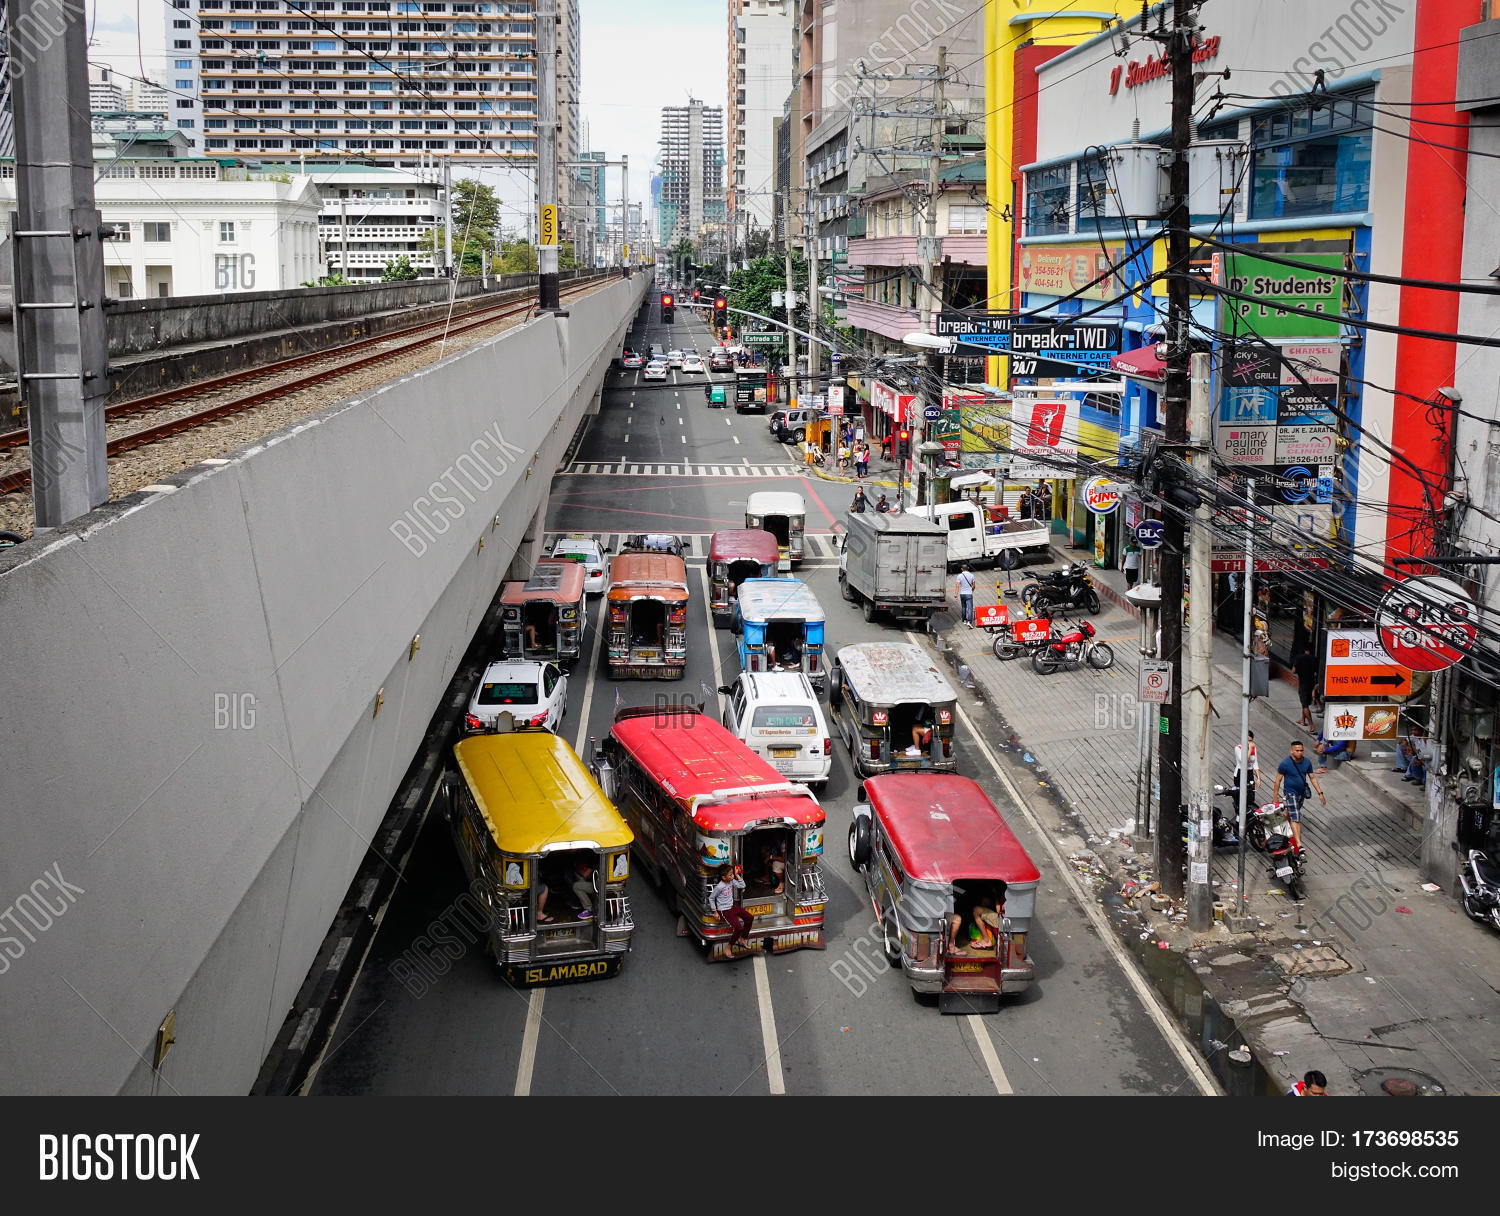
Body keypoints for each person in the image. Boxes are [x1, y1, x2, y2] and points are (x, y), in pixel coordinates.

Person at [1272, 739, 1324, 853]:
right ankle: (1299, 844)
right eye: (1297, 750)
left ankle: (1278, 825)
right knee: (1296, 817)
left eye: (1301, 750)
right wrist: (1275, 797)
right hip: (1290, 793)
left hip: (1301, 794)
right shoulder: (1285, 763)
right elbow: (1278, 780)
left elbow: (1312, 777)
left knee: (1291, 813)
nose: (1300, 752)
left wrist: (1320, 793)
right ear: (1292, 751)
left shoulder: (1307, 762)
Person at [710, 864, 752, 946]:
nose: (732, 876)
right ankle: (729, 946)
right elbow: (711, 898)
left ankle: (742, 938)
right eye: (731, 874)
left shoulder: (731, 881)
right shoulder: (720, 887)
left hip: (732, 907)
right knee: (738, 928)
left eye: (733, 874)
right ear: (724, 877)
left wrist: (737, 875)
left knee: (750, 918)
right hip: (724, 910)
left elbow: (743, 885)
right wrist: (715, 912)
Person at [1292, 642, 1319, 734]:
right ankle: (1302, 720)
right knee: (1305, 702)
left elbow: (1293, 671)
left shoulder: (1299, 658)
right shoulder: (1314, 659)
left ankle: (1311, 725)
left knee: (1305, 705)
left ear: (1304, 649)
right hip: (1311, 683)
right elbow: (1316, 672)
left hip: (1303, 683)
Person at [1233, 730, 1259, 803]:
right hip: (1240, 772)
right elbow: (1243, 761)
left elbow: (1255, 763)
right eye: (1247, 740)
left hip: (1249, 772)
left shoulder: (1254, 749)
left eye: (1250, 741)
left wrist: (1259, 778)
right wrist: (1250, 749)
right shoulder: (1238, 748)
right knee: (1240, 794)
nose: (1249, 743)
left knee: (1251, 794)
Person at [571, 855, 598, 921]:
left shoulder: (595, 861)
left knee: (577, 886)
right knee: (578, 884)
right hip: (601, 885)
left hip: (598, 886)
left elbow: (585, 874)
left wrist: (577, 869)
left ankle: (589, 909)